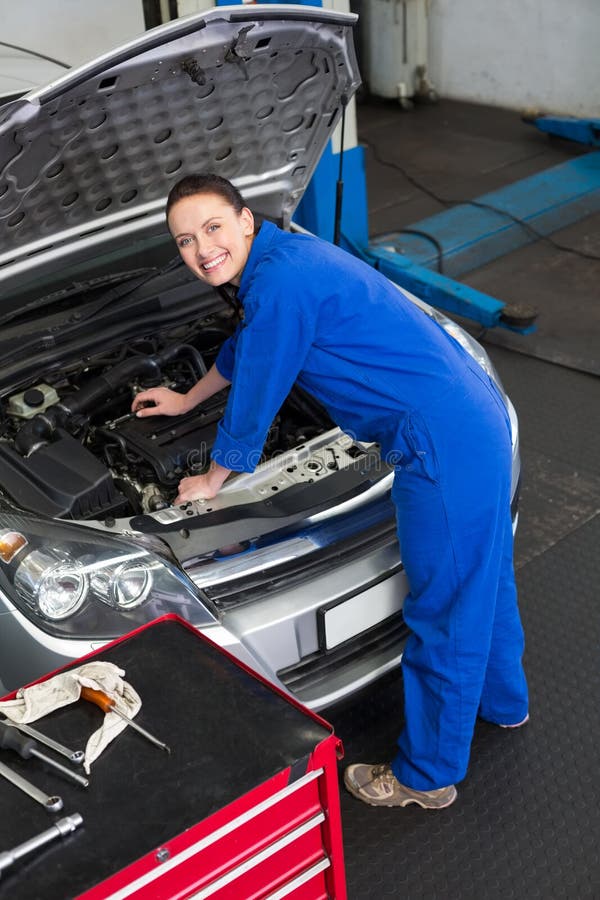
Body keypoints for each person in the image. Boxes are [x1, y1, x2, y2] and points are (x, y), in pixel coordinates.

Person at [132, 173, 529, 810]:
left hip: (438, 441)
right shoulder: (284, 260)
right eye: (185, 241)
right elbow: (249, 347)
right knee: (483, 574)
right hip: (468, 415)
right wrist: (186, 397)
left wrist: (211, 480)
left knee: (444, 609)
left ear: (245, 220)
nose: (202, 249)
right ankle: (504, 702)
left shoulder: (280, 282)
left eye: (212, 228)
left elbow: (257, 396)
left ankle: (426, 776)